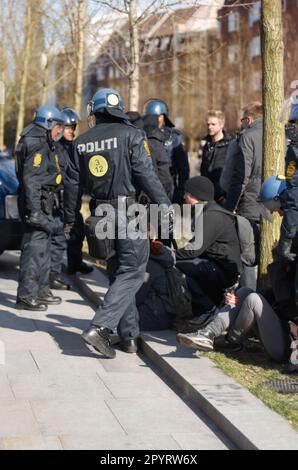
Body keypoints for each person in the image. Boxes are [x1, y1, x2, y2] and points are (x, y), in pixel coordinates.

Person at [64, 88, 171, 358]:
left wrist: (69, 220)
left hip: (100, 215)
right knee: (133, 272)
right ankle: (100, 328)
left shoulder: (80, 143)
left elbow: (72, 188)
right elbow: (146, 175)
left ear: (95, 111)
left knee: (118, 274)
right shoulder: (133, 135)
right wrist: (165, 207)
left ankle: (130, 337)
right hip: (127, 212)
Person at [177, 176, 298, 373]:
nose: (280, 215)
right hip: (283, 329)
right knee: (246, 293)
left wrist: (280, 265)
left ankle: (229, 339)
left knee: (253, 299)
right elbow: (281, 298)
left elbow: (287, 302)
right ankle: (209, 334)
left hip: (288, 345)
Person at [15, 105, 65, 311]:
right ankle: (26, 296)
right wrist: (35, 211)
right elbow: (32, 180)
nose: (60, 131)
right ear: (49, 123)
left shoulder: (38, 138)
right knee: (34, 251)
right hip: (37, 204)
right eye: (58, 126)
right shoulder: (37, 142)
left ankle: (41, 290)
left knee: (43, 249)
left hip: (43, 203)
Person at [175, 176, 242, 318]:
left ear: (195, 196)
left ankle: (208, 311)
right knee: (187, 265)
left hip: (223, 270)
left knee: (177, 268)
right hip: (218, 265)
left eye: (187, 193)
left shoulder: (211, 215)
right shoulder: (209, 211)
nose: (184, 196)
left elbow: (194, 249)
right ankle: (207, 309)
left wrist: (172, 254)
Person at [52, 107, 93, 288]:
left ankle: (75, 264)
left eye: (73, 127)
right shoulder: (56, 148)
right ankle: (51, 274)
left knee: (77, 231)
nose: (72, 131)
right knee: (59, 237)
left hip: (73, 197)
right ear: (60, 128)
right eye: (69, 127)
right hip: (61, 198)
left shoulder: (75, 147)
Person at [224, 102, 263, 290]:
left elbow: (241, 176)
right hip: (278, 208)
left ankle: (249, 301)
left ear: (248, 119)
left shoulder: (247, 137)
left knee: (248, 257)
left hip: (250, 206)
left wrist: (229, 206)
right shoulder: (283, 134)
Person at [143, 98, 189, 204]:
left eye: (159, 117)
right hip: (147, 188)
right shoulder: (140, 135)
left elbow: (183, 168)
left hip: (169, 188)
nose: (158, 120)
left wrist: (181, 191)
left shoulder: (174, 137)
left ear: (163, 117)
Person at [199, 110, 232, 203]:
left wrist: (226, 195)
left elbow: (233, 172)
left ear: (221, 125)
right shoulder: (206, 144)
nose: (209, 127)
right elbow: (203, 170)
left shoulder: (230, 145)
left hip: (222, 197)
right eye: (208, 124)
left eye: (213, 124)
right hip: (206, 196)